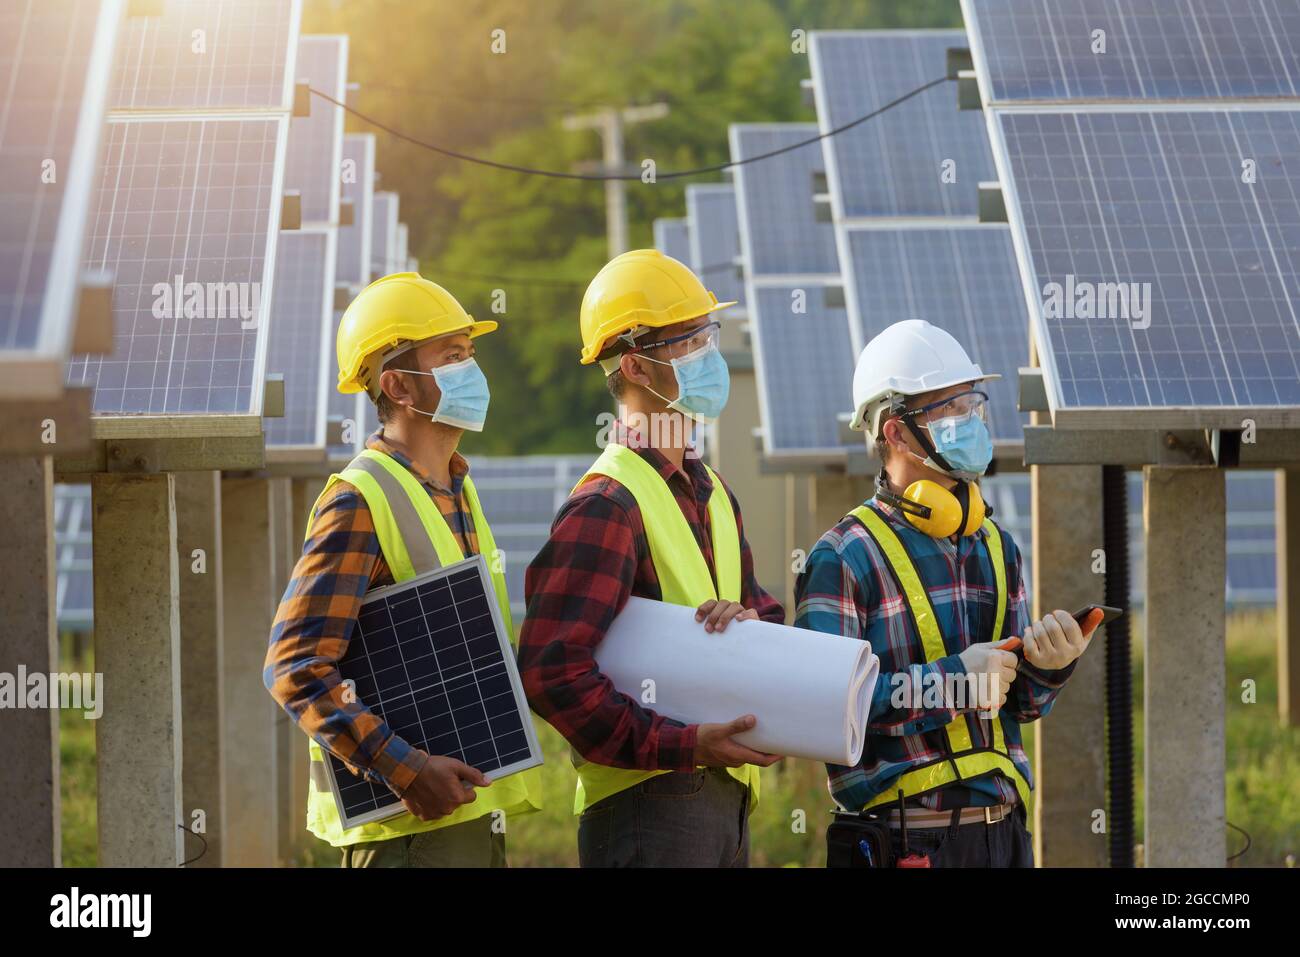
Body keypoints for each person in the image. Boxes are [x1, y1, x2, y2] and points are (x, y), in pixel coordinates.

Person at [795, 319, 1097, 868]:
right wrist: (951, 682)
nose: (970, 422)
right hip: (911, 841)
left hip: (1005, 836)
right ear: (896, 432)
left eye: (972, 405)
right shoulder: (843, 557)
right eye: (948, 410)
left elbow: (1021, 705)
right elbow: (822, 710)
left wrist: (1051, 666)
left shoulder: (995, 545)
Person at [518, 249, 785, 868]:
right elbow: (550, 671)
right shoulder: (606, 504)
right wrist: (682, 744)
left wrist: (748, 632)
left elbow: (762, 611)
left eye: (708, 335)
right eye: (690, 342)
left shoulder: (713, 491)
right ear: (636, 365)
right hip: (647, 807)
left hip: (722, 799)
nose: (710, 356)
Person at [264, 272, 541, 867]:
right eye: (452, 357)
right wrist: (405, 770)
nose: (472, 371)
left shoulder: (457, 489)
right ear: (399, 386)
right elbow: (294, 666)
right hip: (405, 834)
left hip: (469, 818)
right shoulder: (360, 499)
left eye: (470, 354)